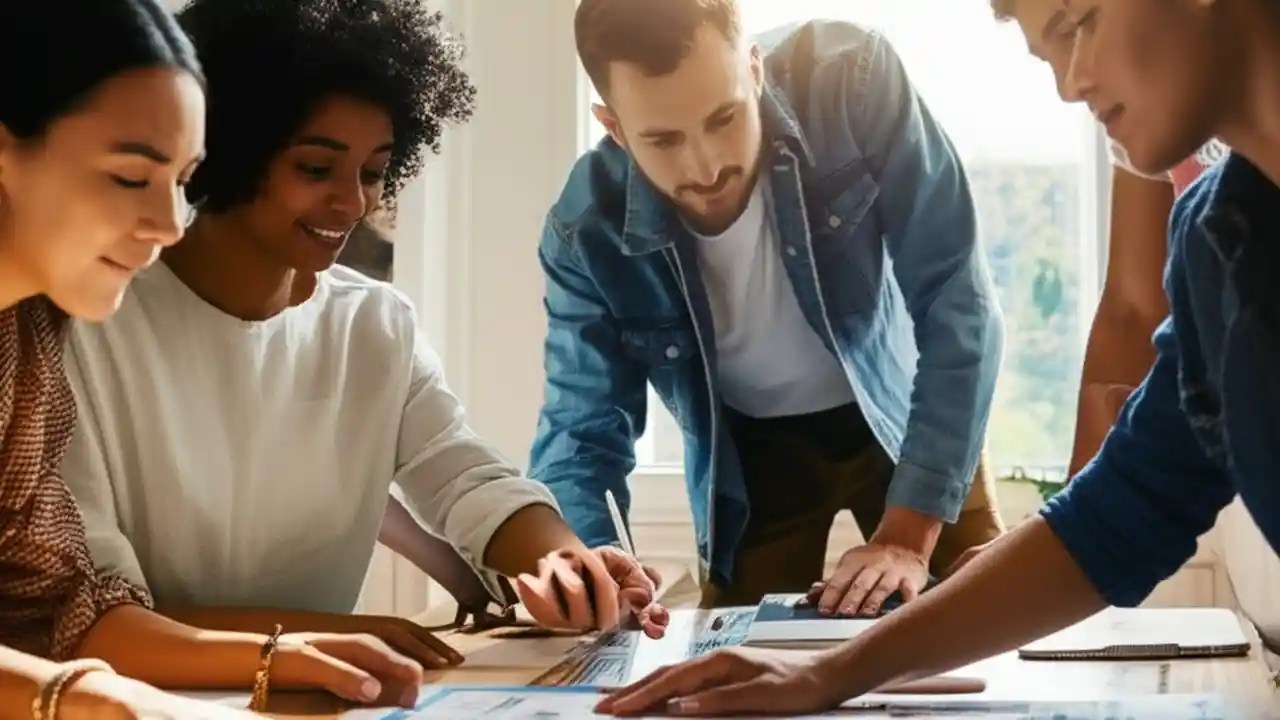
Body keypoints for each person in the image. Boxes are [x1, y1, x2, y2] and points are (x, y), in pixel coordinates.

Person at [596, 0, 1280, 714]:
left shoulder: (856, 78)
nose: (1070, 86)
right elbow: (1122, 514)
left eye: (1079, 24)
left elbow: (962, 309)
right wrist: (824, 675)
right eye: (1048, 54)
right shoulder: (1218, 251)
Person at [60, 0, 668, 680]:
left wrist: (562, 560)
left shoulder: (375, 326)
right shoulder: (85, 326)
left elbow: (467, 478)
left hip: (327, 693)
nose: (352, 203)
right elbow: (84, 614)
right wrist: (342, 637)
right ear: (227, 151)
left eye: (373, 172)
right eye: (315, 170)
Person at [1, 2, 427, 716]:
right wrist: (81, 696)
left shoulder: (30, 338)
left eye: (182, 179)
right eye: (133, 178)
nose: (170, 224)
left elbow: (58, 605)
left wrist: (270, 658)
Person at [530, 0, 1004, 618]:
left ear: (754, 70)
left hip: (907, 415)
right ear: (615, 127)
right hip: (752, 463)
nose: (706, 166)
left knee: (990, 619)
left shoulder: (852, 78)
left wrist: (907, 539)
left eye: (724, 118)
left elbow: (957, 299)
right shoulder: (583, 231)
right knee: (735, 671)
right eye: (663, 139)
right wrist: (594, 566)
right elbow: (580, 431)